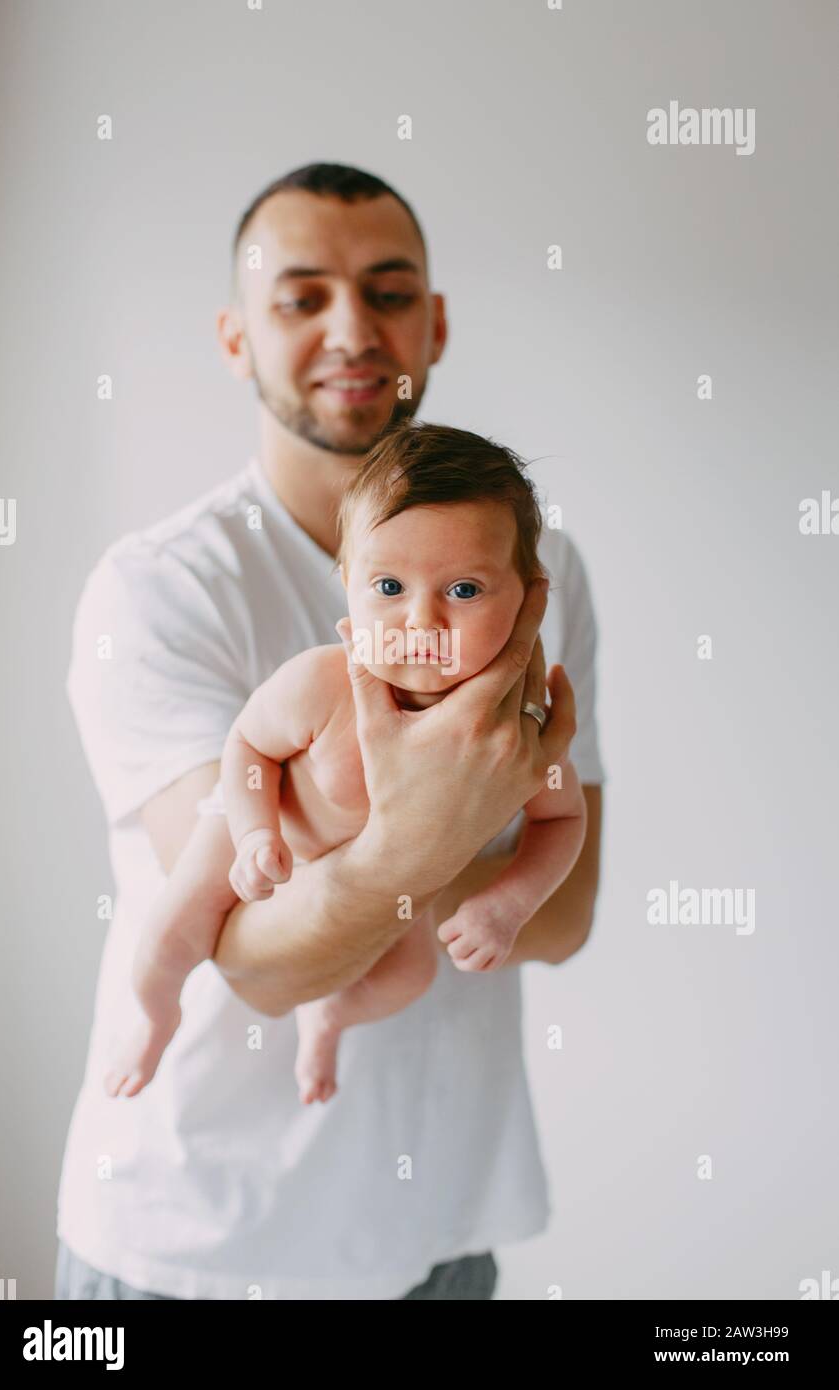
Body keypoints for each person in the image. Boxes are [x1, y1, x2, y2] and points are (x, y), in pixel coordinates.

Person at [55, 162, 606, 1301]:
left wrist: (442, 880)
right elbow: (251, 959)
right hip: (202, 1243)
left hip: (441, 1227)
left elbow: (561, 918)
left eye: (388, 291)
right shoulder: (160, 590)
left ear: (434, 321)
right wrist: (425, 841)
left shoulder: (532, 574)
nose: (351, 328)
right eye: (299, 296)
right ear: (235, 337)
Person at [101, 421, 588, 1108]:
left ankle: (329, 1019)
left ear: (529, 597)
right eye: (388, 587)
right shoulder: (322, 684)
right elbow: (249, 749)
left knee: (411, 973)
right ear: (348, 585)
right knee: (169, 933)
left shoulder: (518, 735)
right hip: (259, 847)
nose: (421, 620)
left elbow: (564, 820)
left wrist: (508, 904)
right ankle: (156, 1021)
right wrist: (253, 833)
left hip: (386, 904)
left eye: (465, 591)